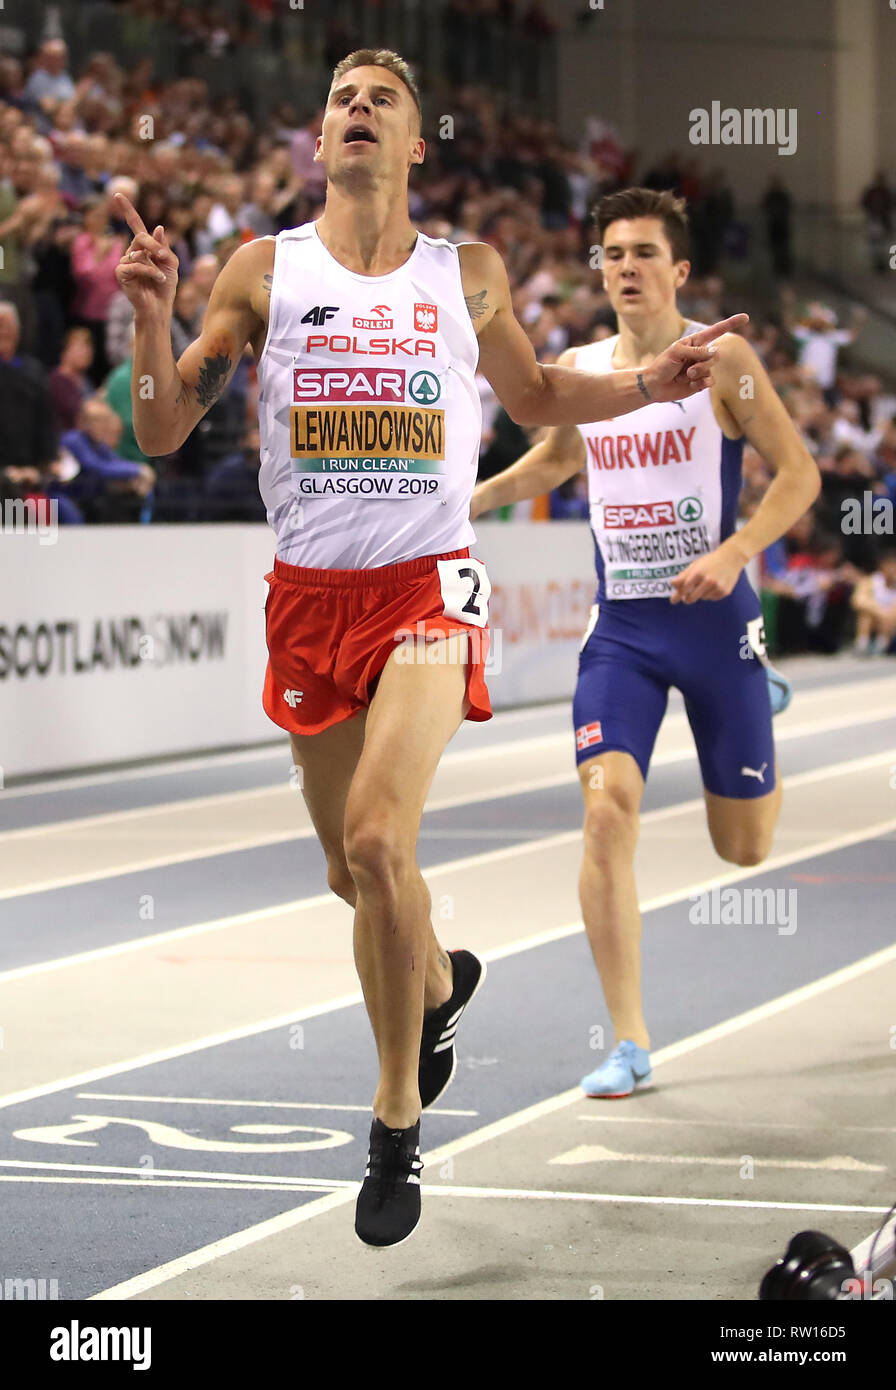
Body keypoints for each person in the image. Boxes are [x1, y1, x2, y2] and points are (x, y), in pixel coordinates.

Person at [113, 52, 741, 1248]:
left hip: (425, 591)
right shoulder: (263, 269)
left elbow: (544, 396)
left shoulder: (470, 275)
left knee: (373, 838)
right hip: (308, 600)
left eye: (380, 100)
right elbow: (156, 425)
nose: (356, 109)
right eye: (341, 97)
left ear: (415, 146)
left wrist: (649, 384)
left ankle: (395, 1117)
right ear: (317, 139)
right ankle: (441, 984)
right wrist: (150, 313)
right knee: (358, 883)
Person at [472, 187, 820, 1101]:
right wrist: (458, 502)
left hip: (716, 626)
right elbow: (551, 463)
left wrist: (736, 551)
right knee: (605, 811)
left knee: (742, 851)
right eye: (611, 253)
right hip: (621, 634)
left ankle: (759, 693)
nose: (625, 267)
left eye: (642, 253)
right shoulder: (585, 371)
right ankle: (629, 1038)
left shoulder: (723, 361)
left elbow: (800, 474)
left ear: (680, 271)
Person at [852, 543, 896, 655]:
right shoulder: (870, 581)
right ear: (883, 565)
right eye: (890, 565)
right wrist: (879, 611)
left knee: (892, 614)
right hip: (875, 622)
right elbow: (858, 600)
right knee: (866, 615)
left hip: (892, 626)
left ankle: (881, 645)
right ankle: (862, 644)